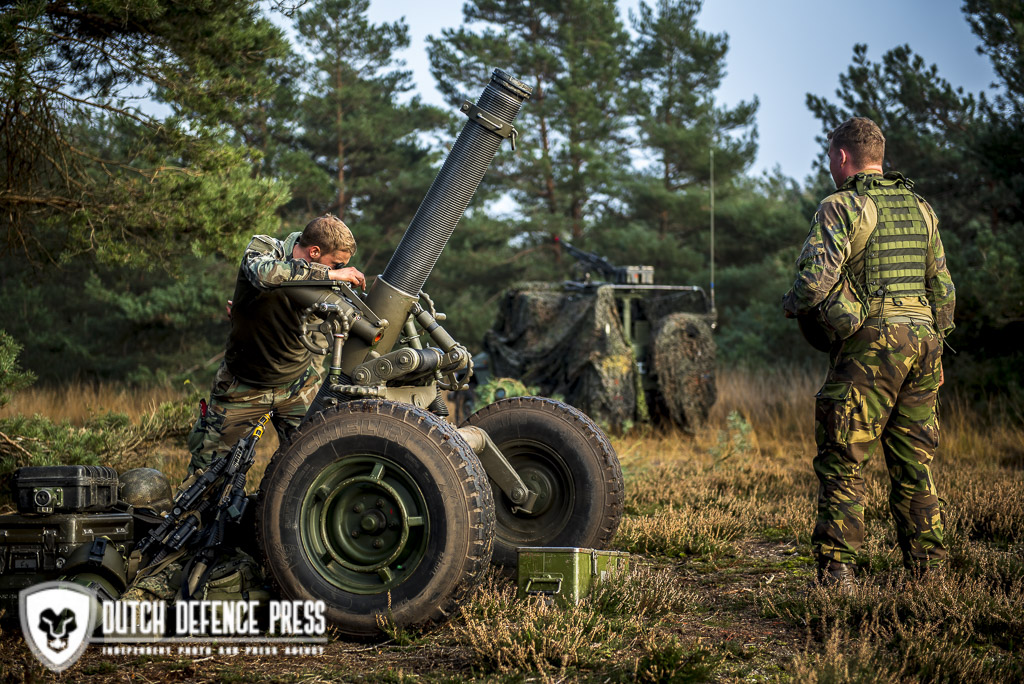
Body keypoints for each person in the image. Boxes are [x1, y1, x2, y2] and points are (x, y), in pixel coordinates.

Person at [782, 117, 956, 588]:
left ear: (842, 157)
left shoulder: (840, 206)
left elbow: (813, 283)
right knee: (914, 462)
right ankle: (929, 574)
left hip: (872, 346)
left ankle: (838, 574)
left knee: (843, 457)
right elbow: (942, 288)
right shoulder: (921, 208)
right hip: (925, 342)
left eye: (830, 160)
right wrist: (931, 341)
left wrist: (794, 306)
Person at [188, 214, 366, 474]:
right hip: (244, 386)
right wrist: (329, 273)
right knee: (206, 477)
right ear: (314, 251)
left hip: (297, 385)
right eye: (336, 262)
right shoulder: (265, 248)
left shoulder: (330, 274)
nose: (339, 269)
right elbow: (264, 274)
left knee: (318, 469)